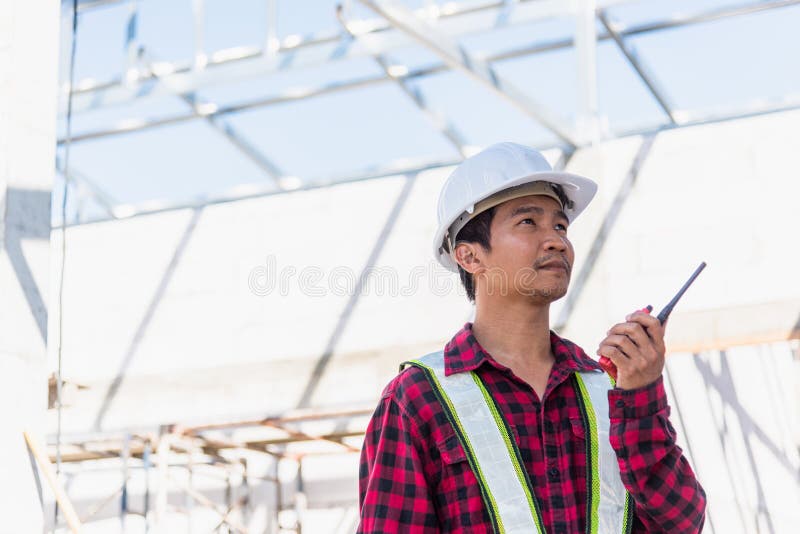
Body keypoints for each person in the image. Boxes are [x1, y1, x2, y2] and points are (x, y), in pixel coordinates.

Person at [357, 142, 706, 533]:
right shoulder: (417, 399)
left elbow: (680, 523)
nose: (557, 240)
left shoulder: (612, 389)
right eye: (528, 222)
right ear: (469, 256)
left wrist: (641, 396)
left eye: (560, 225)